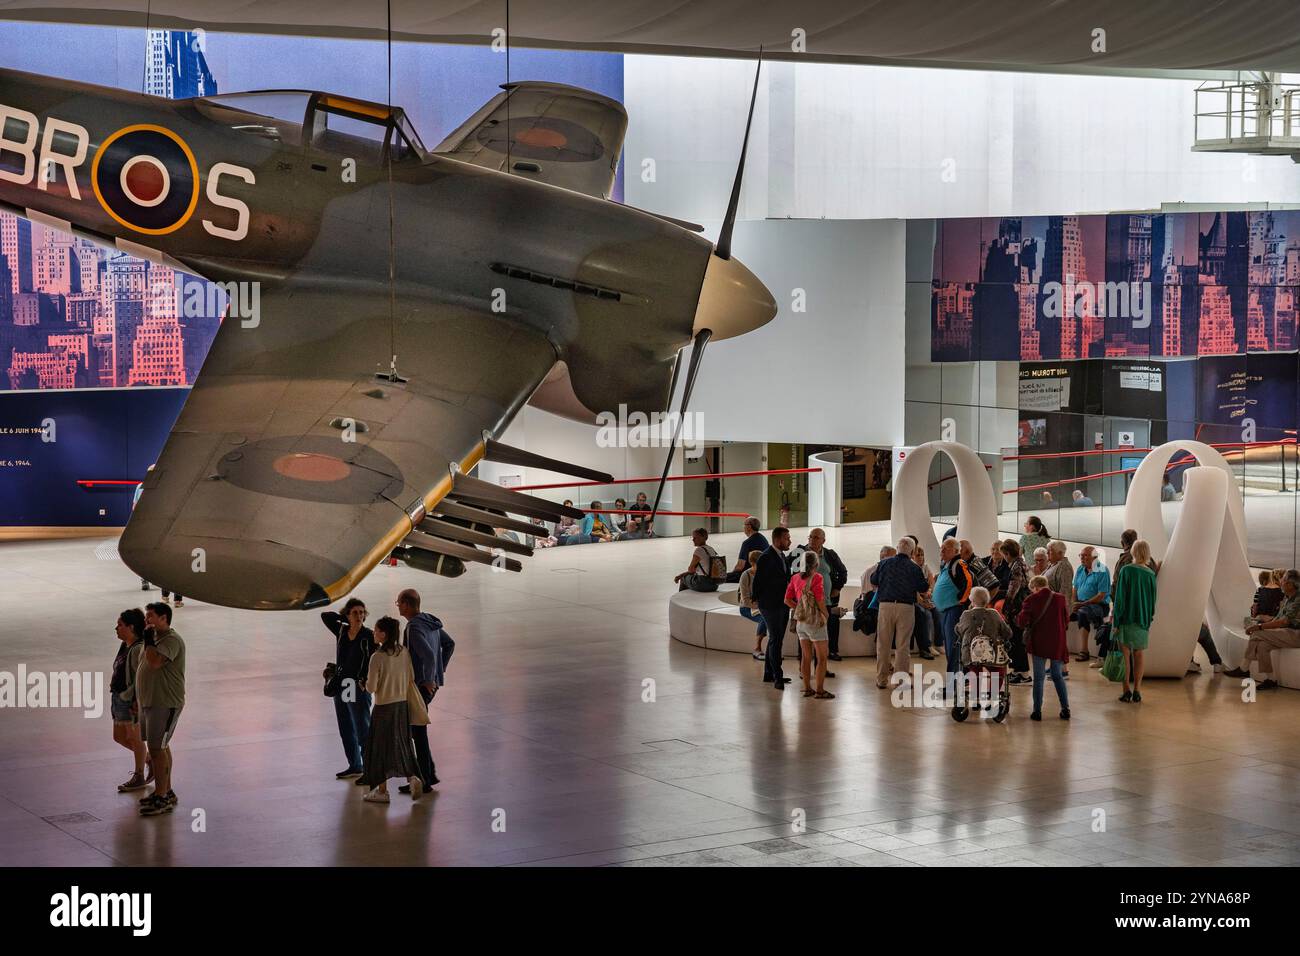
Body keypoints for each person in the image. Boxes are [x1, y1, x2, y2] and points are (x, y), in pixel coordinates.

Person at [358, 616, 428, 803]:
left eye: (376, 630)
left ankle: (382, 791)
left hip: (383, 708)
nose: (374, 633)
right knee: (403, 744)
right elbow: (411, 676)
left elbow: (372, 687)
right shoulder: (403, 652)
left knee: (380, 748)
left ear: (384, 634)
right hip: (402, 705)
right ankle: (413, 778)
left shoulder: (377, 657)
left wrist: (363, 684)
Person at [396, 589, 449, 792]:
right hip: (431, 685)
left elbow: (427, 655)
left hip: (419, 687)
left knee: (417, 732)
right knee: (417, 731)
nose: (398, 605)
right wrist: (438, 672)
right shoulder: (429, 622)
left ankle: (424, 779)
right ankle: (428, 774)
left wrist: (428, 679)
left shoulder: (414, 628)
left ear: (407, 605)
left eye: (399, 602)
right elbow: (449, 644)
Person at [136, 602, 186, 816]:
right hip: (150, 702)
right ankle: (166, 791)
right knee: (161, 747)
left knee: (157, 749)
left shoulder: (171, 640)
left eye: (151, 616)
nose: (147, 620)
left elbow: (155, 662)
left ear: (164, 618)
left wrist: (147, 641)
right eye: (147, 616)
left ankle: (162, 796)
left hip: (165, 702)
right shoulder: (154, 639)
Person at [321, 598, 374, 780]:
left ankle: (369, 768)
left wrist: (367, 680)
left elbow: (376, 660)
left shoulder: (369, 636)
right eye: (355, 613)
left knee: (362, 728)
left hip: (357, 686)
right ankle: (355, 765)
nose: (359, 616)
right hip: (341, 684)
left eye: (361, 612)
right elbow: (325, 616)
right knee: (345, 726)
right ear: (348, 615)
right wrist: (343, 619)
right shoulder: (342, 631)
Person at [870, 537, 930, 689]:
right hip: (905, 607)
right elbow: (923, 587)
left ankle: (881, 679)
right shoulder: (914, 567)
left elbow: (874, 580)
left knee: (883, 644)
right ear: (912, 551)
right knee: (902, 645)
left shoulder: (884, 563)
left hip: (885, 605)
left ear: (897, 548)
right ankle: (899, 681)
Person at [1226, 568, 1300, 690]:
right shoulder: (1288, 597)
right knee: (1262, 646)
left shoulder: (1298, 598)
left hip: (1296, 634)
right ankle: (1271, 680)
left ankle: (1244, 668)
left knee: (1256, 634)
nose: (1280, 581)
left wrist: (1259, 627)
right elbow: (1277, 619)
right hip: (1287, 633)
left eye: (1284, 580)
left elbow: (1284, 622)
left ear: (1291, 584)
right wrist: (1262, 623)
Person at [1018, 575, 1070, 720]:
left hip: (1039, 642)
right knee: (1058, 676)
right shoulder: (1060, 598)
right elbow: (1066, 620)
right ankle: (1065, 709)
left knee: (1039, 678)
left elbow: (1022, 621)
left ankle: (1037, 712)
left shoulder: (1031, 599)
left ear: (1035, 587)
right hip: (1057, 642)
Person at [1113, 540, 1158, 702]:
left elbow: (1120, 598)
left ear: (1133, 552)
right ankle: (1138, 690)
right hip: (1142, 620)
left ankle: (1126, 690)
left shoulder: (1126, 570)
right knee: (1139, 654)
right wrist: (1149, 618)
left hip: (1126, 618)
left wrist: (1116, 620)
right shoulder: (1151, 574)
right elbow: (1153, 600)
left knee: (1125, 656)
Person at [110, 608, 149, 792]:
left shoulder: (137, 649)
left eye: (120, 625)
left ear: (131, 627)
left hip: (130, 700)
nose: (116, 628)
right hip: (118, 697)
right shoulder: (125, 644)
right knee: (119, 737)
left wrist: (136, 700)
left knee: (135, 737)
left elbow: (139, 678)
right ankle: (150, 760)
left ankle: (139, 774)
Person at [786, 551, 834, 699]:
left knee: (806, 657)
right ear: (816, 564)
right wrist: (826, 614)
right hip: (814, 623)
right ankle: (820, 690)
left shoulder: (795, 578)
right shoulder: (817, 577)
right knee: (822, 658)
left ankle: (807, 688)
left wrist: (800, 607)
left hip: (801, 622)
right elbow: (820, 600)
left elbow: (787, 600)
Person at [795, 528, 848, 660]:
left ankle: (827, 657)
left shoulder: (830, 555)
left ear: (823, 540)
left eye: (816, 538)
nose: (812, 540)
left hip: (827, 600)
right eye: (810, 537)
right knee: (805, 630)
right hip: (806, 601)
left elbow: (843, 572)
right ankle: (804, 660)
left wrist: (837, 588)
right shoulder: (799, 552)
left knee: (826, 628)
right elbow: (791, 574)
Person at [754, 527, 793, 688]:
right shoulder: (766, 557)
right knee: (776, 640)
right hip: (770, 605)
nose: (789, 541)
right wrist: (757, 601)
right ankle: (778, 676)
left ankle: (768, 674)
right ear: (777, 540)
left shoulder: (782, 556)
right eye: (787, 538)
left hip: (782, 604)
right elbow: (758, 582)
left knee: (776, 639)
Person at [932, 538, 971, 691]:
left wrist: (960, 601)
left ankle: (953, 684)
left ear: (956, 551)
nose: (942, 551)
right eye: (942, 548)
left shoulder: (959, 564)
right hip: (947, 611)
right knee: (950, 648)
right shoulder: (947, 565)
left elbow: (968, 583)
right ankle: (955, 682)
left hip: (954, 611)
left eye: (946, 549)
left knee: (953, 648)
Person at [955, 587, 1011, 688]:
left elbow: (958, 631)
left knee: (975, 669)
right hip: (992, 654)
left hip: (970, 655)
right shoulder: (994, 614)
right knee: (997, 671)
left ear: (971, 600)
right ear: (987, 600)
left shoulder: (965, 615)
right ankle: (993, 695)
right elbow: (1008, 633)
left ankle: (976, 697)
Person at [999, 539, 1032, 684]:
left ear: (1007, 553)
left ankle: (1023, 673)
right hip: (1020, 606)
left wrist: (1006, 606)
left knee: (1017, 640)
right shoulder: (1020, 563)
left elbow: (1014, 588)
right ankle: (1018, 670)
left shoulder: (1016, 566)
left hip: (1016, 607)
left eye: (1004, 554)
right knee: (1015, 639)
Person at [1071, 546, 1110, 665]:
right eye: (1081, 555)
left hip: (1099, 605)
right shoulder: (1080, 569)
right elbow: (1075, 588)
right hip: (1081, 603)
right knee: (1063, 614)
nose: (1082, 558)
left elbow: (1101, 595)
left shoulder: (1102, 570)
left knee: (1083, 613)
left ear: (1094, 557)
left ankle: (1084, 651)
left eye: (1085, 555)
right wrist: (1075, 602)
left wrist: (1082, 604)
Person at [738, 549, 767, 660]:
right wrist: (761, 606)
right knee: (764, 618)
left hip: (761, 605)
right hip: (747, 608)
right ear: (752, 563)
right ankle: (757, 648)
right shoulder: (745, 576)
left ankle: (773, 650)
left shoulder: (765, 574)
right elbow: (745, 601)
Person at [675, 527, 724, 592]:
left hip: (703, 584)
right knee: (690, 577)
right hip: (714, 585)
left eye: (695, 537)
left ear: (703, 538)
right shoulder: (711, 549)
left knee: (684, 579)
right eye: (693, 537)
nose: (693, 540)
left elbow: (691, 569)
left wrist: (680, 576)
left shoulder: (699, 550)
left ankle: (681, 599)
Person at [911, 545, 937, 660]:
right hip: (915, 599)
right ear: (912, 556)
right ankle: (927, 646)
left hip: (925, 597)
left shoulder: (926, 567)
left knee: (937, 612)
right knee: (925, 614)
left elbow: (931, 582)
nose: (921, 557)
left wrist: (929, 592)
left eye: (922, 555)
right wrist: (923, 603)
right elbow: (914, 590)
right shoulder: (911, 568)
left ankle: (939, 643)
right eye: (918, 555)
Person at [727, 517, 769, 583]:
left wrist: (732, 574)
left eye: (744, 525)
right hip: (763, 573)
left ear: (749, 527)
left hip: (749, 574)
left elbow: (740, 566)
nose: (743, 527)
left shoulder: (747, 543)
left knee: (724, 577)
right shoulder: (763, 539)